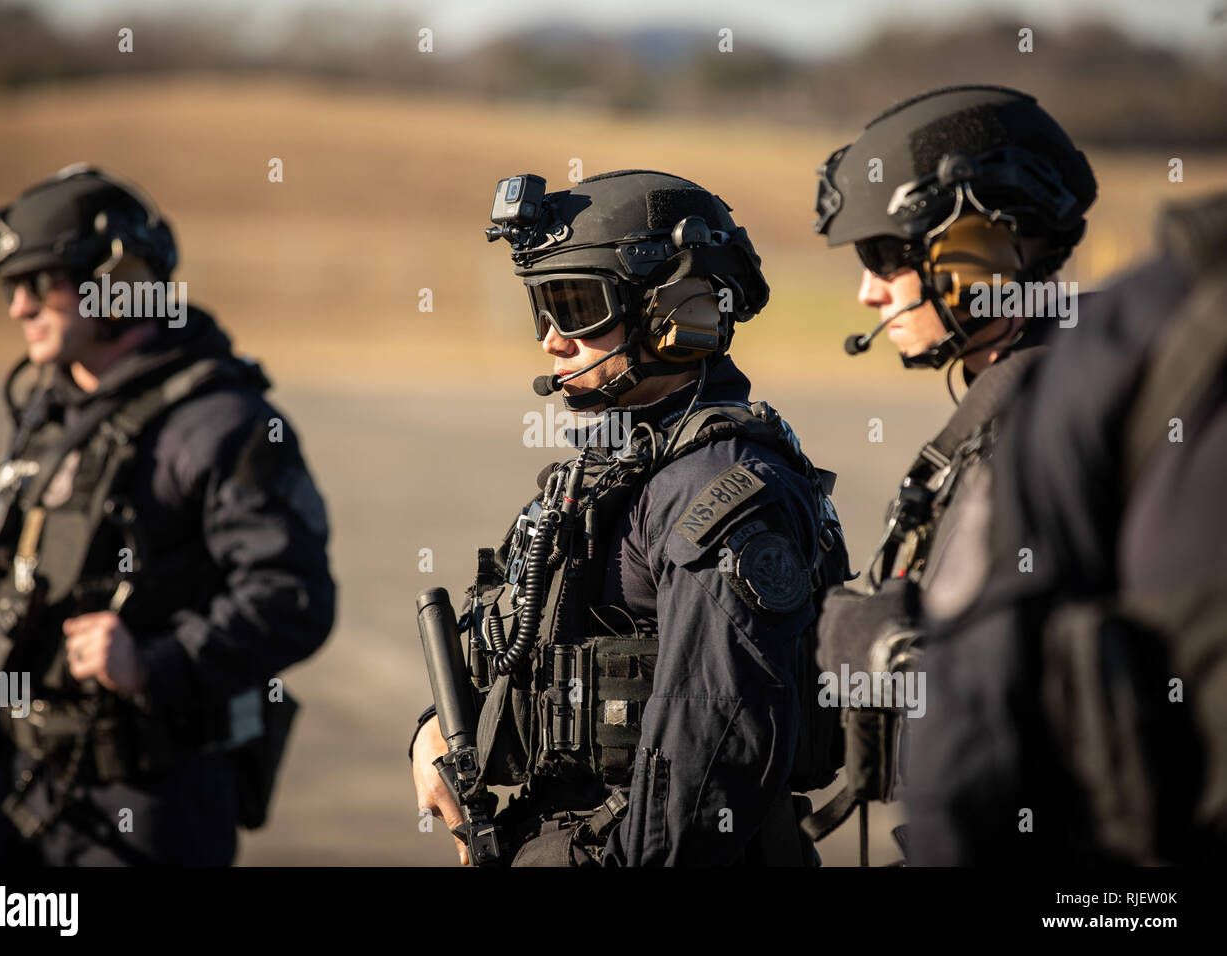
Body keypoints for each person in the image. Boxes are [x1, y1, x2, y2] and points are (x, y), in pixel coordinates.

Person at [409, 169, 851, 866]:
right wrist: (436, 727)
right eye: (543, 309)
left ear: (676, 315)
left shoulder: (721, 488)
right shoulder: (619, 466)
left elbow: (710, 764)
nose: (552, 340)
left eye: (576, 306)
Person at [0, 164, 335, 865]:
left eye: (40, 283)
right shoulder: (53, 405)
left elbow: (295, 598)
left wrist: (155, 662)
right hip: (27, 793)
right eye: (9, 287)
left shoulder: (221, 423)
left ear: (120, 281)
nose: (18, 308)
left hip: (149, 804)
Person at [802, 85, 1097, 855]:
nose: (867, 292)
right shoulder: (1023, 398)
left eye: (883, 257)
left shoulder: (1059, 425)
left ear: (983, 248)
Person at [906, 192, 1227, 865]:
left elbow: (979, 735)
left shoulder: (1129, 343)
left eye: (885, 259)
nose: (868, 293)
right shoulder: (1133, 341)